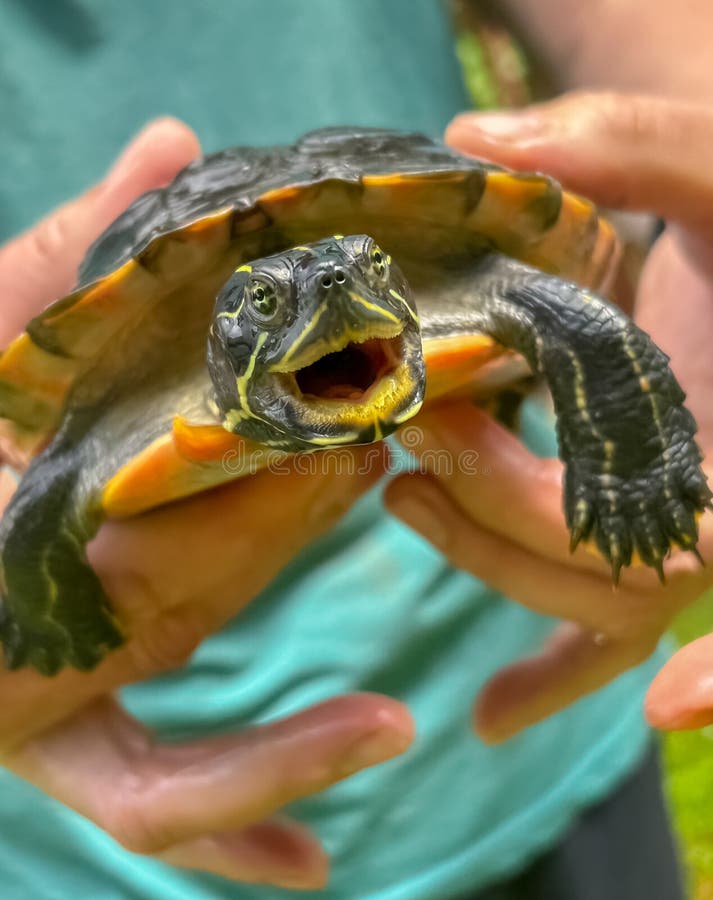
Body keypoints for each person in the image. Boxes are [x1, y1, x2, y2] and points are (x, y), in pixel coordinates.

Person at [1, 2, 712, 897]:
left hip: (534, 714)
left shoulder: (439, 281)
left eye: (361, 276)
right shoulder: (132, 371)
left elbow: (578, 314)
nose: (333, 290)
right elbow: (44, 490)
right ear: (223, 332)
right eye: (268, 308)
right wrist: (40, 614)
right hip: (91, 844)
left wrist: (634, 462)